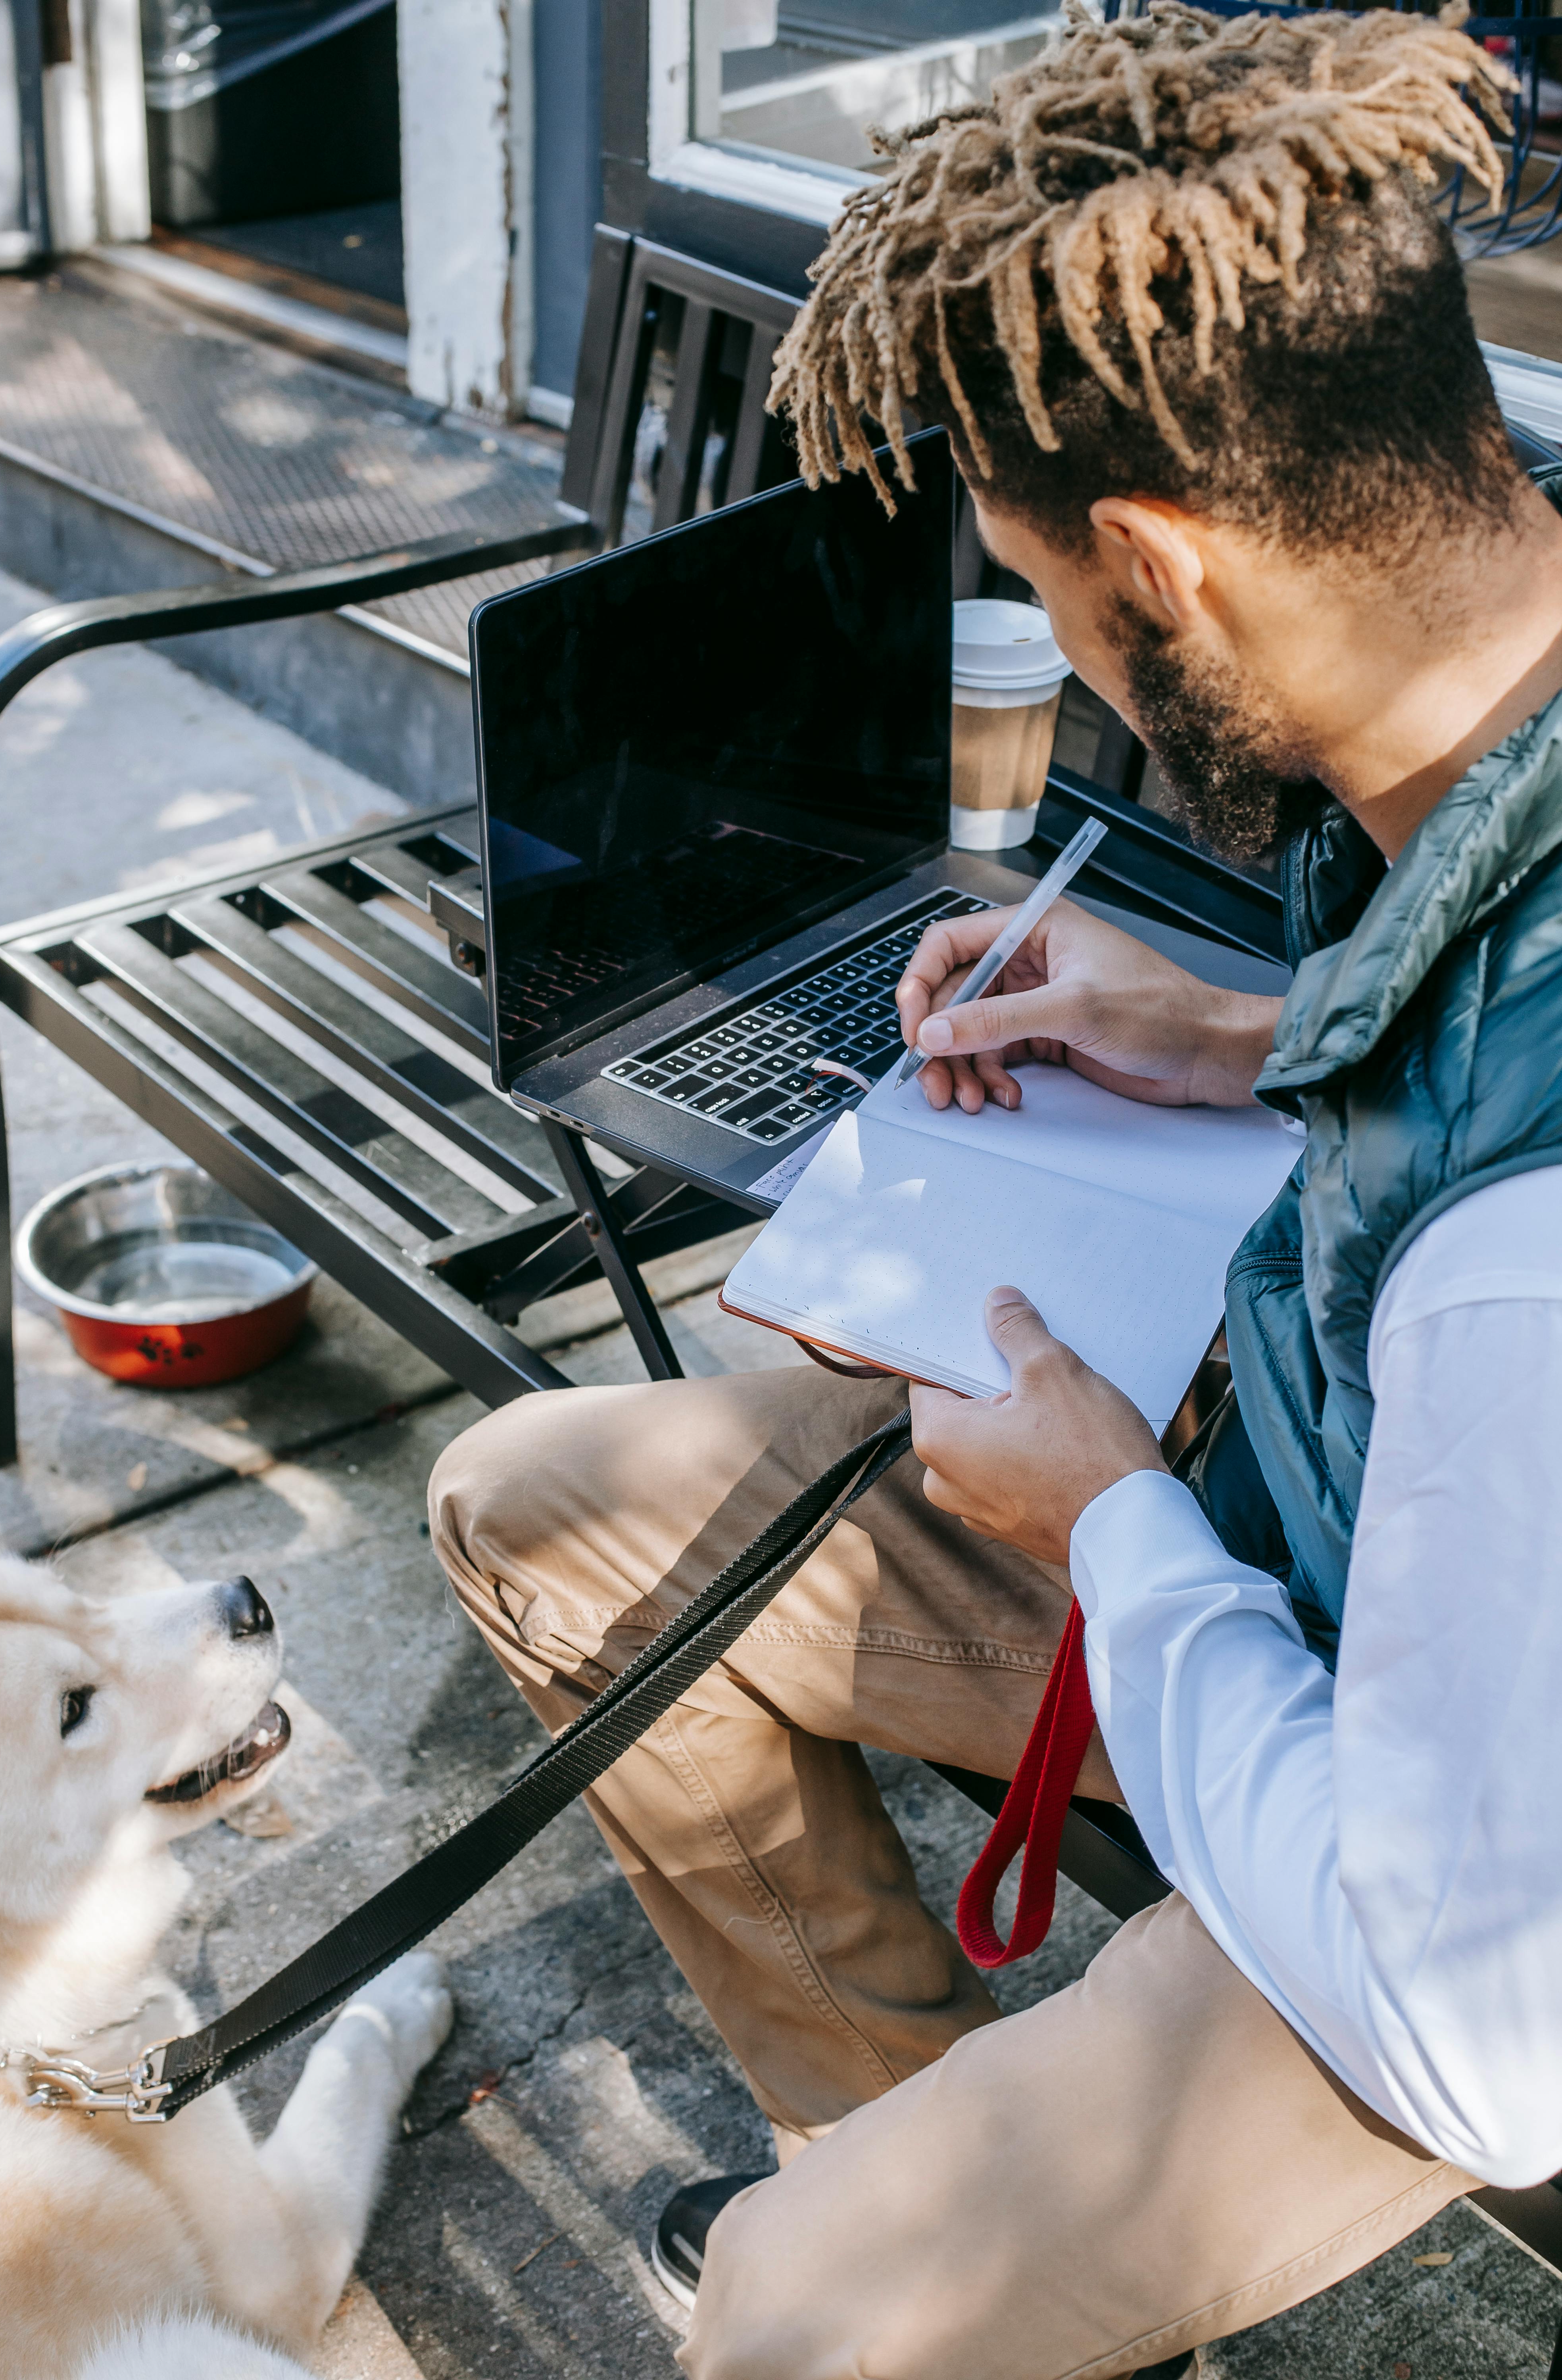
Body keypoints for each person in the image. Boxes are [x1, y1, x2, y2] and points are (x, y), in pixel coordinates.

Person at [428, 6, 1562, 2374]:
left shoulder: (1526, 1267)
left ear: (1159, 560)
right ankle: (937, 2178)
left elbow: (1483, 2036)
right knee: (541, 1508)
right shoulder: (1492, 667)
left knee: (786, 2325)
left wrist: (1105, 1526)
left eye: (1048, 592)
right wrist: (1244, 1034)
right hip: (1321, 1539)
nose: (1072, 665)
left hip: (1439, 1855)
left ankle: (900, 2277)